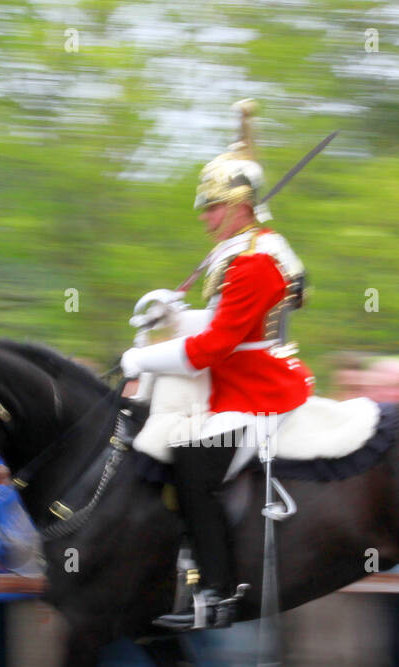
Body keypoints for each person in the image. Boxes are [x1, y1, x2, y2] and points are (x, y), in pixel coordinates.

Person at [119, 100, 314, 630]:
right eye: (204, 208)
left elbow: (213, 348)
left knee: (193, 467)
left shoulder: (252, 258)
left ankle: (218, 593)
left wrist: (137, 356)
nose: (205, 219)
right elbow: (227, 322)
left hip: (255, 391)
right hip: (238, 380)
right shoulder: (246, 248)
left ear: (241, 204)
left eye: (213, 208)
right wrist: (176, 313)